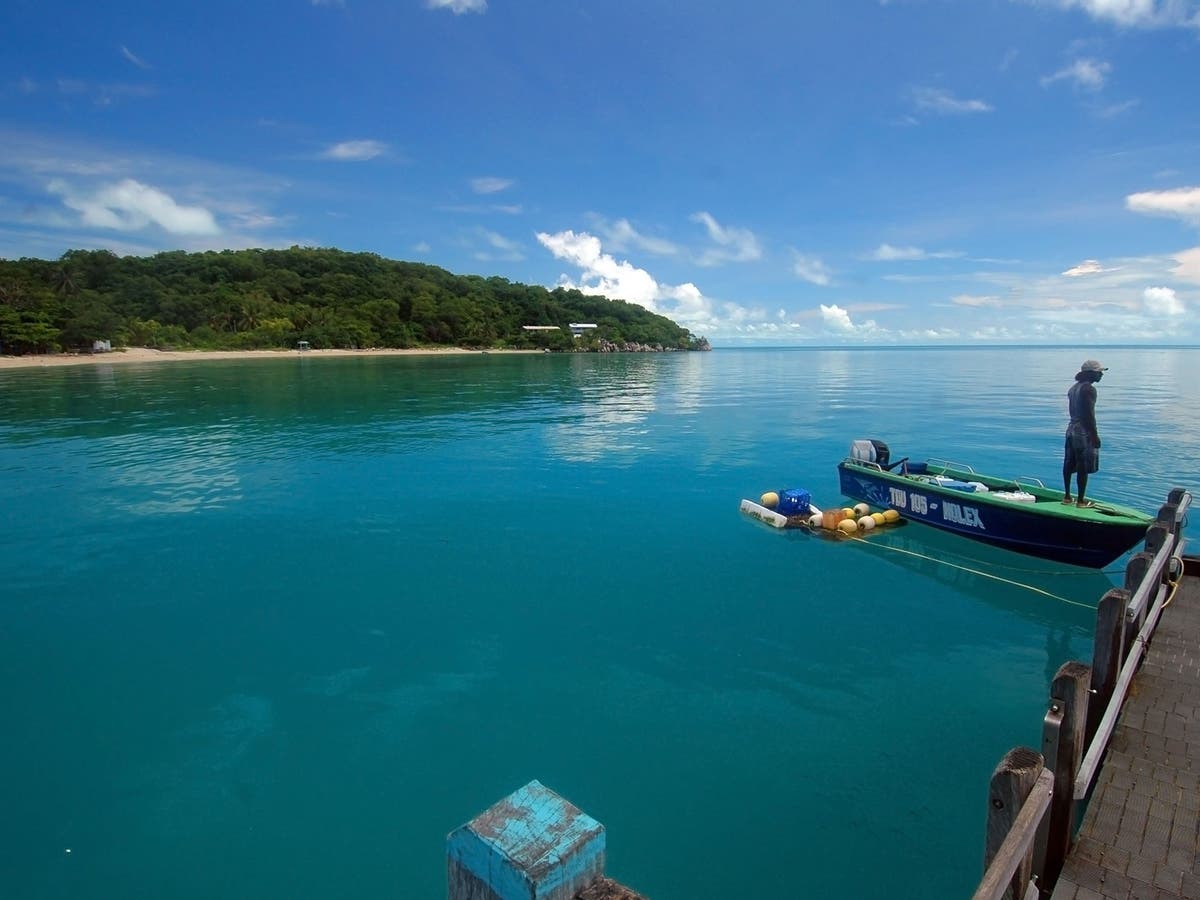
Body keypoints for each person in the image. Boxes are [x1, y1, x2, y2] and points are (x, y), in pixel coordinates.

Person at [1062, 359, 1106, 507]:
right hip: (1082, 430)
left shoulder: (1073, 388)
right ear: (1091, 373)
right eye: (1099, 372)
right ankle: (1081, 500)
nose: (1101, 375)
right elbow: (1088, 414)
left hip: (1071, 428)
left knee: (1069, 462)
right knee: (1083, 464)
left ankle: (1067, 497)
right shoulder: (1089, 389)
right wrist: (1094, 435)